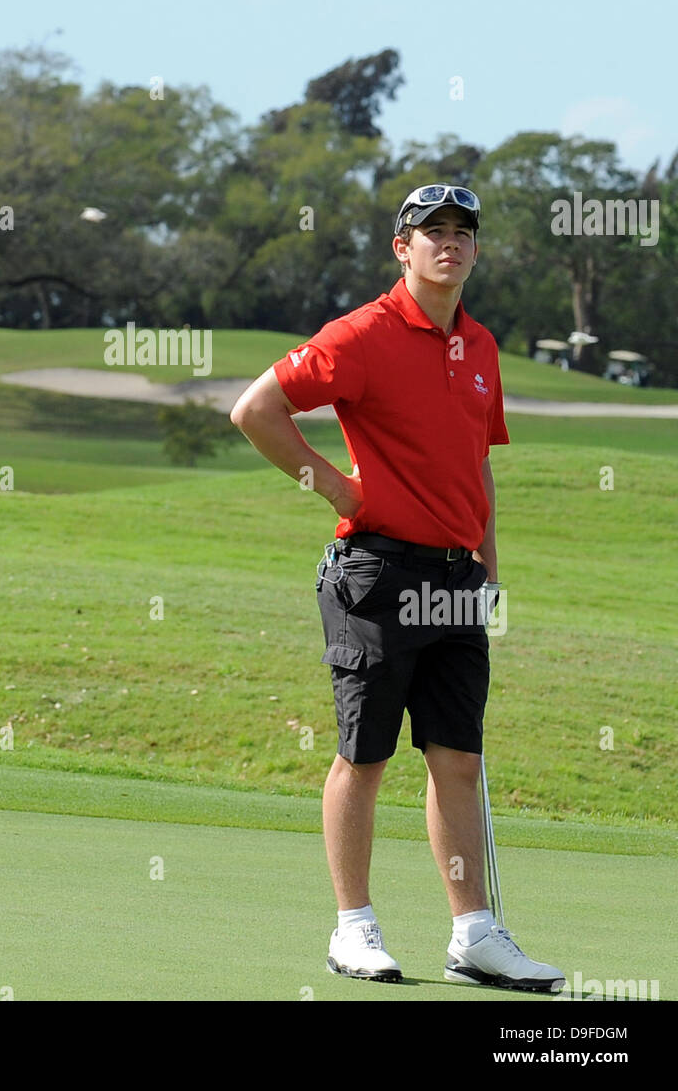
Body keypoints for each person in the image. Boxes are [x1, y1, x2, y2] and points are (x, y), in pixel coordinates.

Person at [230, 184, 565, 993]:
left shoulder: (480, 345)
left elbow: (476, 461)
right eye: (432, 232)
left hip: (456, 579)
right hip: (377, 572)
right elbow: (256, 409)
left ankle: (475, 935)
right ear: (402, 249)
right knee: (365, 754)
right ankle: (354, 929)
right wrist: (337, 489)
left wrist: (489, 564)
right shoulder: (364, 334)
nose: (449, 244)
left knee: (458, 759)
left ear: (475, 251)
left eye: (462, 233)